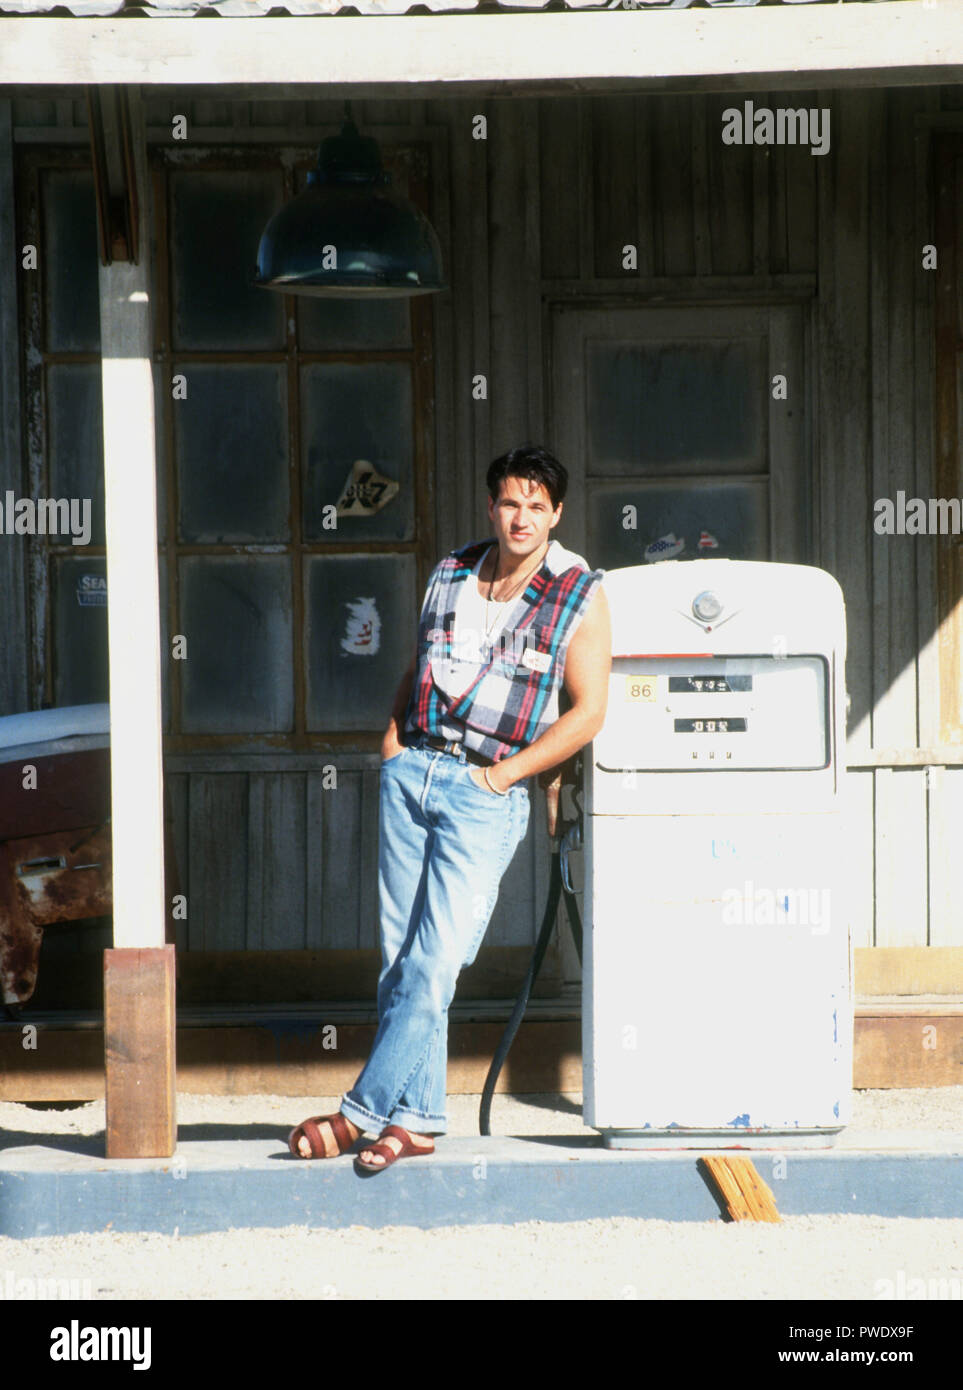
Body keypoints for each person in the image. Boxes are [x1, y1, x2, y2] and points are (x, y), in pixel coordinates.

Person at [288, 445, 611, 1173]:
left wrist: (504, 780)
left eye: (536, 505)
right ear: (492, 506)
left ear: (555, 514)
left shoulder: (579, 591)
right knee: (399, 961)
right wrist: (393, 740)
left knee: (435, 963)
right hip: (414, 775)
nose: (520, 516)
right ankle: (420, 1122)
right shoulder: (453, 571)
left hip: (481, 794)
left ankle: (358, 1112)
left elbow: (588, 713)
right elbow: (418, 664)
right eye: (509, 502)